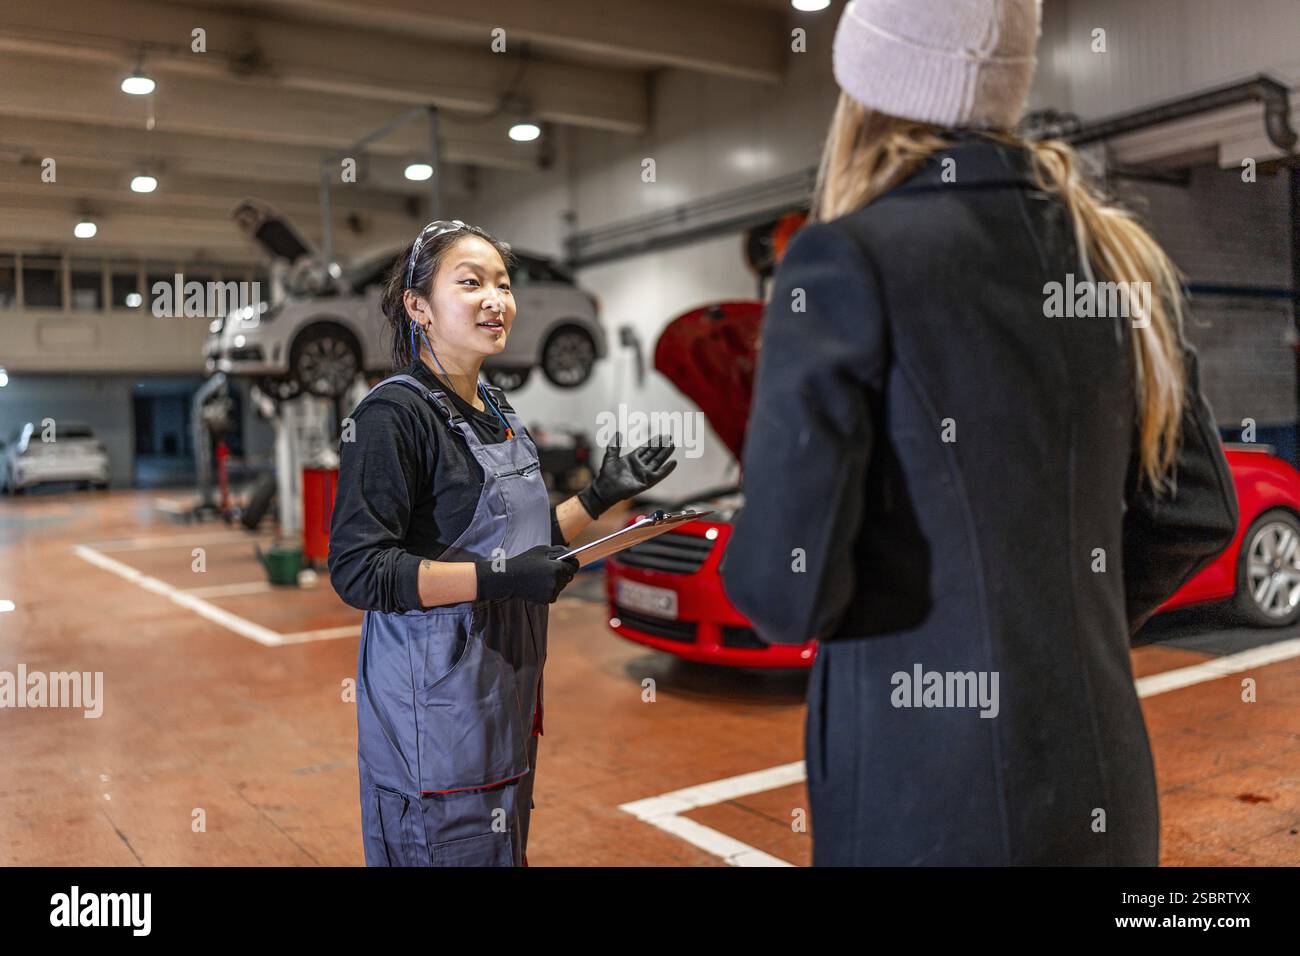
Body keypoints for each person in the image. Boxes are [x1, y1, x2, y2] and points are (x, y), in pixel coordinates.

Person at [718, 0, 1239, 865]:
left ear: (868, 83)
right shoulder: (1115, 257)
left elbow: (785, 593)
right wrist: (1057, 622)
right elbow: (1195, 510)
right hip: (1102, 790)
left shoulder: (845, 258)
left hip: (925, 802)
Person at [328, 220, 676, 866]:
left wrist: (600, 496)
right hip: (430, 744)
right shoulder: (391, 418)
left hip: (500, 722)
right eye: (472, 283)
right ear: (418, 307)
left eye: (504, 284)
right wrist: (498, 581)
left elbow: (520, 544)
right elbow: (359, 570)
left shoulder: (497, 407)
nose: (497, 299)